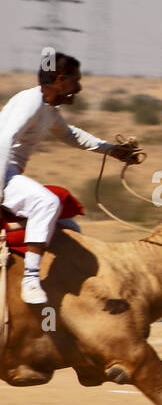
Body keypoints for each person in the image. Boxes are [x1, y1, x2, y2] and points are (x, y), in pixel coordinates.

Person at [0, 52, 136, 304]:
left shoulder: (48, 109)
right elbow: (3, 139)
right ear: (61, 79)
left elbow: (69, 134)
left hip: (10, 174)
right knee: (48, 202)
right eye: (77, 81)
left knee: (70, 229)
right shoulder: (30, 101)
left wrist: (111, 150)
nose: (79, 87)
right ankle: (31, 280)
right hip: (2, 172)